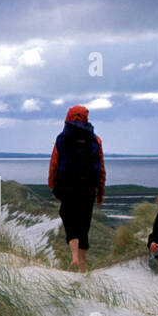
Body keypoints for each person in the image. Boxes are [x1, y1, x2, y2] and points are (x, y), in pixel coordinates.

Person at [47, 105, 106, 273]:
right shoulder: (95, 139)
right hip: (88, 188)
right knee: (84, 224)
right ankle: (83, 266)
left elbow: (54, 164)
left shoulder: (62, 138)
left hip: (68, 186)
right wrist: (101, 191)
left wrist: (53, 186)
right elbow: (101, 167)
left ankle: (73, 254)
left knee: (68, 217)